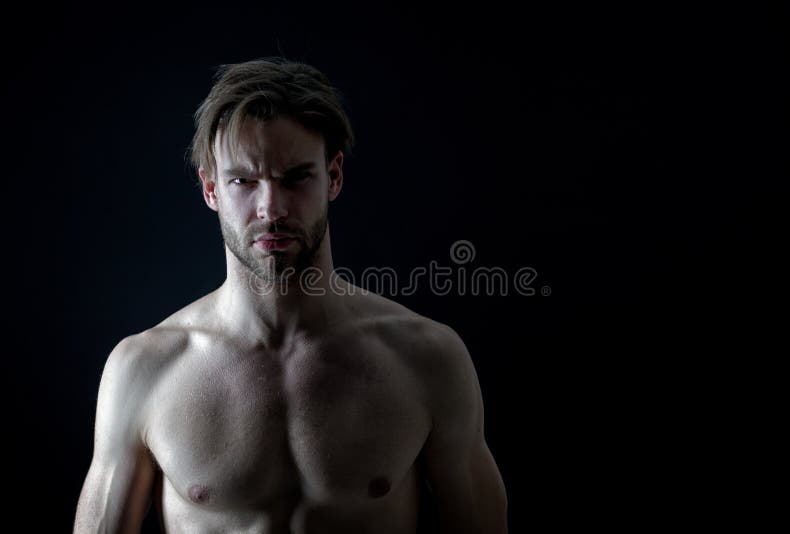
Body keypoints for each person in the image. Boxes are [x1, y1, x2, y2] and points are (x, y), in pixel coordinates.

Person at [74, 57, 508, 534]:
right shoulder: (144, 369)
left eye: (296, 177)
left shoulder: (427, 360)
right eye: (243, 180)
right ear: (210, 188)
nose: (272, 208)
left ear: (334, 177)